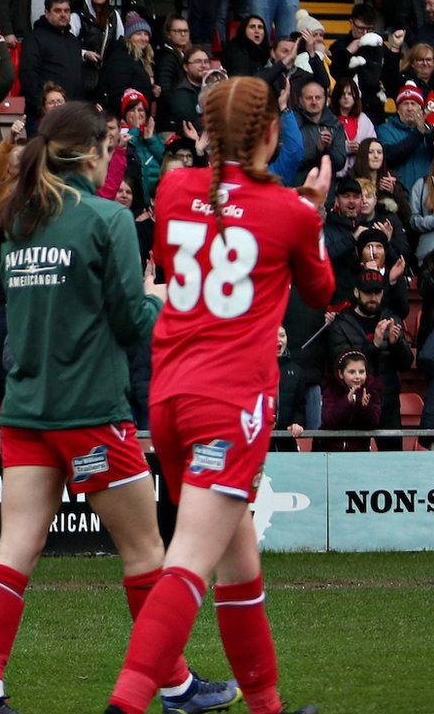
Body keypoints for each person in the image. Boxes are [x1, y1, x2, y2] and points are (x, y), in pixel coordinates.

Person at [0, 102, 238, 714]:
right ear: (95, 151)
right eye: (113, 146)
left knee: (14, 550)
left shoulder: (17, 218)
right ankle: (171, 687)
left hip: (26, 411)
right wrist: (163, 299)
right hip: (89, 411)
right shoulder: (108, 218)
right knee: (146, 552)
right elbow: (128, 320)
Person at [102, 76, 331, 714]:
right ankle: (125, 704)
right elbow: (320, 291)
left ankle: (268, 709)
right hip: (229, 403)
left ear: (204, 134)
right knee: (192, 564)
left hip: (171, 397)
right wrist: (312, 212)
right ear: (271, 134)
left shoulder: (175, 188)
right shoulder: (287, 210)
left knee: (239, 565)